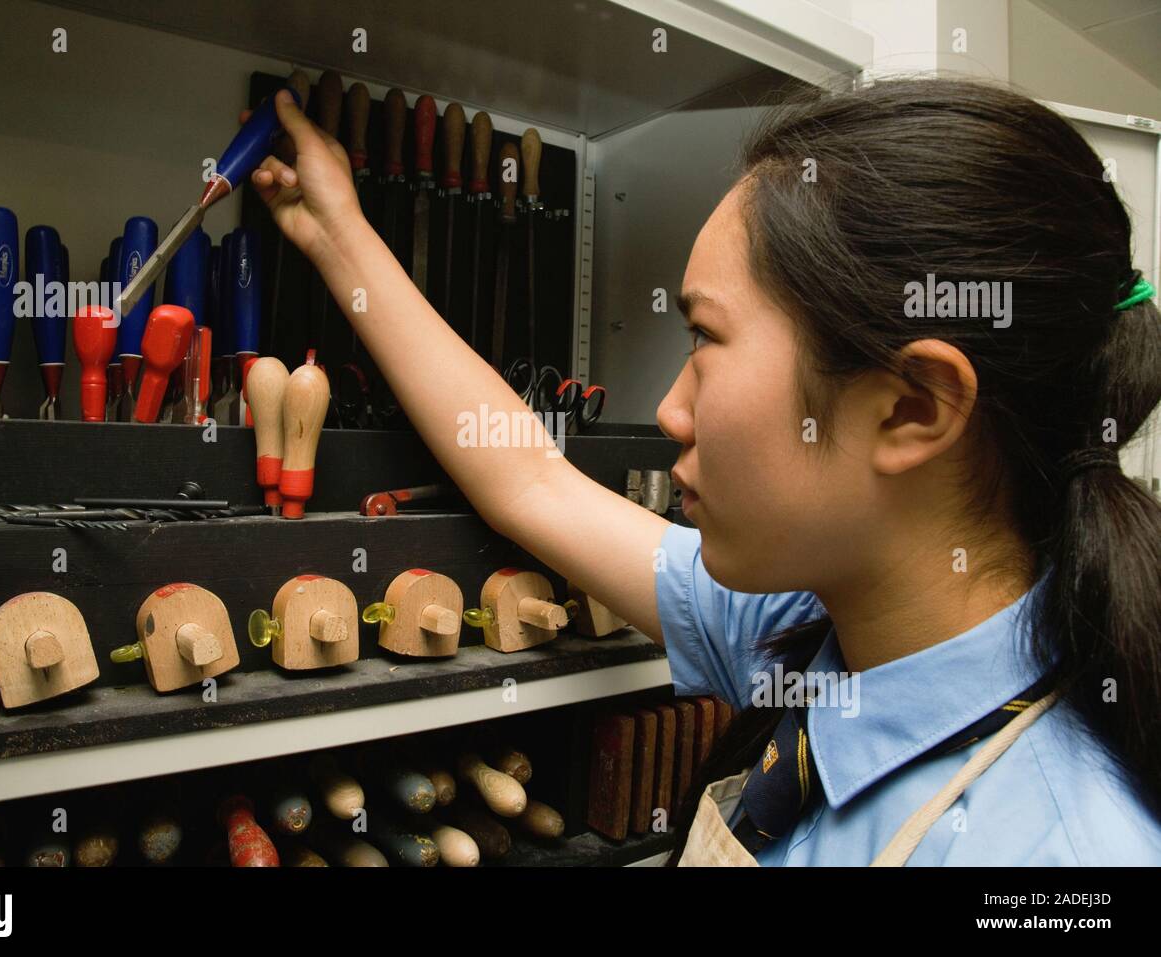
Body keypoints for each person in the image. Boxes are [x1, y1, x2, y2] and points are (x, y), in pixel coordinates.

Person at [246, 76, 1161, 865]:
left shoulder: (1057, 857)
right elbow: (531, 479)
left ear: (911, 407)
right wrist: (337, 232)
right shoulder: (813, 632)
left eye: (706, 339)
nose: (672, 409)